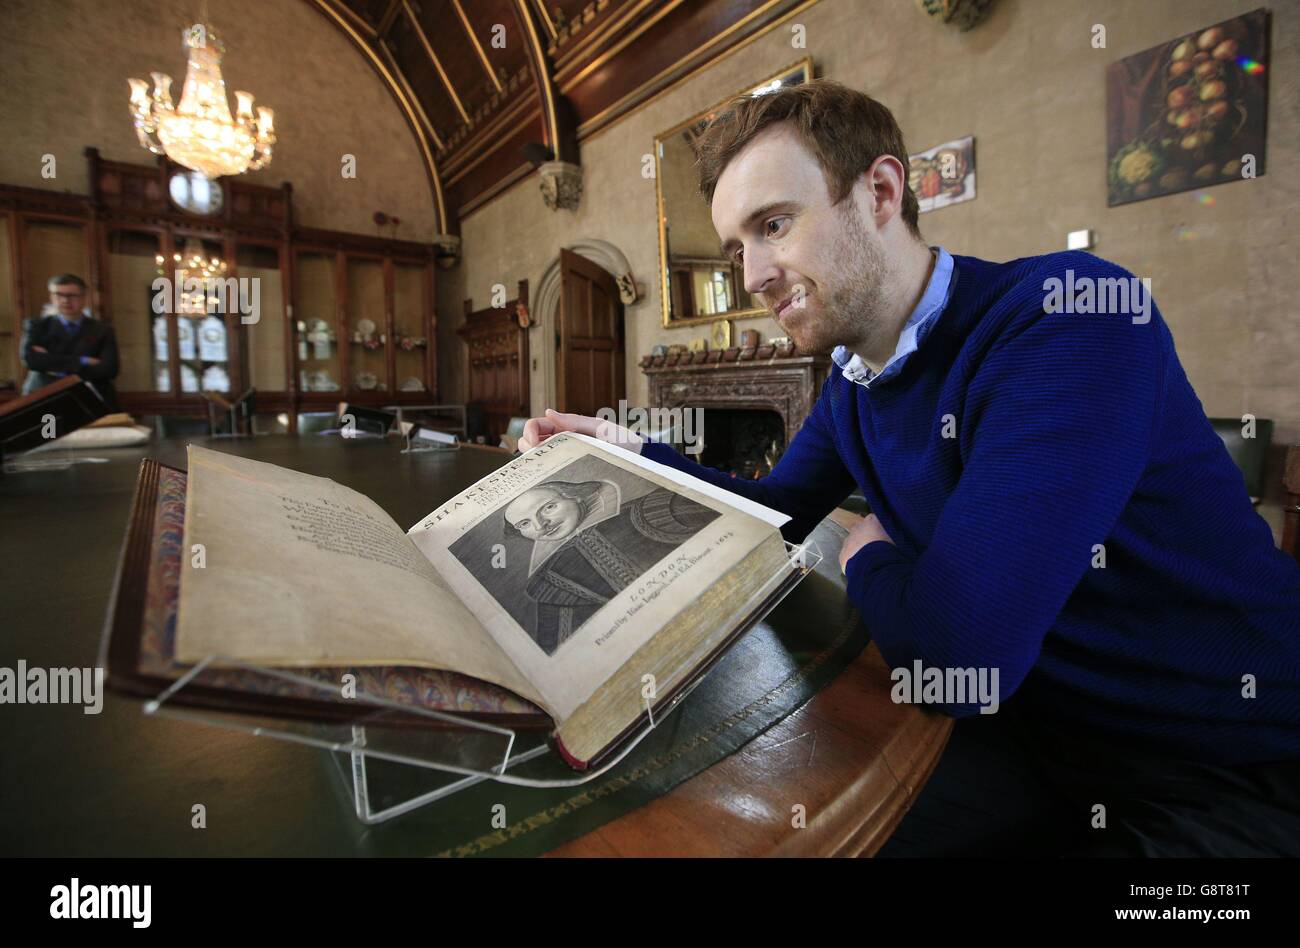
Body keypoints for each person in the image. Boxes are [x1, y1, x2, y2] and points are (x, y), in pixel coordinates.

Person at [518, 79, 1300, 856]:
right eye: (737, 247)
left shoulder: (1071, 316)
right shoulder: (856, 380)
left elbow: (962, 652)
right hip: (1037, 738)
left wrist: (871, 557)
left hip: (1232, 769)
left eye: (775, 224)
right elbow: (777, 511)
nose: (752, 275)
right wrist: (625, 453)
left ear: (883, 192)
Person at [502, 479, 719, 654]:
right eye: (525, 524)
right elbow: (569, 653)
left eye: (549, 508)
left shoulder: (653, 510)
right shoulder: (549, 582)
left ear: (575, 495)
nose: (541, 526)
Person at [21, 273, 120, 410]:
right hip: (44, 398)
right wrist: (82, 361)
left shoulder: (102, 330)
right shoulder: (38, 326)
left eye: (71, 296)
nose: (65, 300)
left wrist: (51, 362)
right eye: (58, 295)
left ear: (84, 297)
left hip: (89, 399)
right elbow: (31, 360)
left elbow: (109, 369)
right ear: (51, 297)